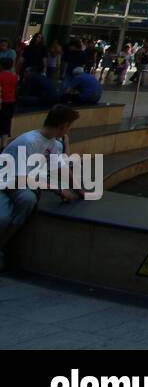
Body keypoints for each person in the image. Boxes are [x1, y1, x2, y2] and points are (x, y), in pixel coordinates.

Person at [0, 105, 81, 270]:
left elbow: (61, 168)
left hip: (21, 184)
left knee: (28, 199)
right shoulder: (28, 141)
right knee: (3, 219)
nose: (69, 131)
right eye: (69, 126)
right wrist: (57, 190)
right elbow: (18, 179)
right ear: (63, 126)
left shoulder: (53, 144)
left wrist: (78, 189)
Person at [0, 58, 16, 147]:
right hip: (11, 102)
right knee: (6, 123)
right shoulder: (14, 76)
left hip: (2, 102)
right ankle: (4, 145)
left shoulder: (0, 76)